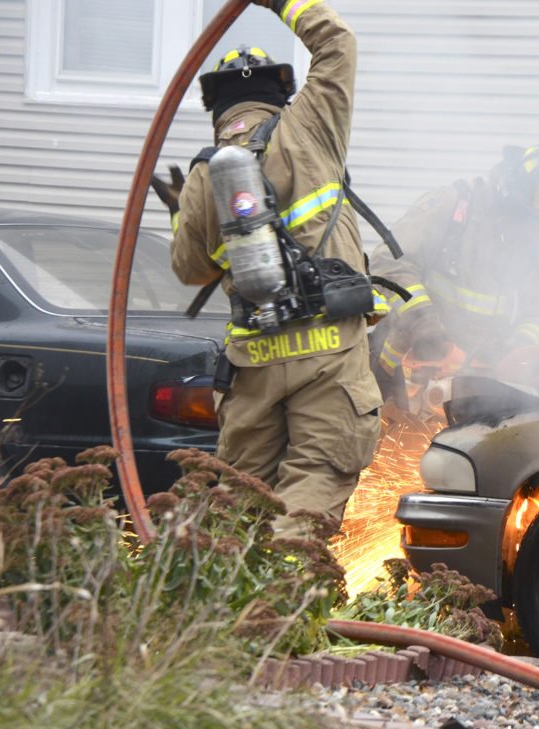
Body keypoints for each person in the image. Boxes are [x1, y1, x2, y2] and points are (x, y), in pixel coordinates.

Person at [153, 0, 381, 539]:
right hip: (328, 352)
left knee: (240, 499)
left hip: (252, 361)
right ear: (280, 94)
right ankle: (281, 611)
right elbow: (337, 43)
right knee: (313, 487)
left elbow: (190, 271)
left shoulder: (206, 173)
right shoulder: (310, 125)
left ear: (218, 111)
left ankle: (216, 612)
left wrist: (184, 213)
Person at [368, 143, 539, 407]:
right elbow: (389, 263)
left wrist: (516, 348)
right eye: (526, 220)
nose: (532, 232)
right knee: (391, 441)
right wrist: (422, 323)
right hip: (406, 368)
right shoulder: (453, 207)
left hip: (477, 382)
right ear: (508, 196)